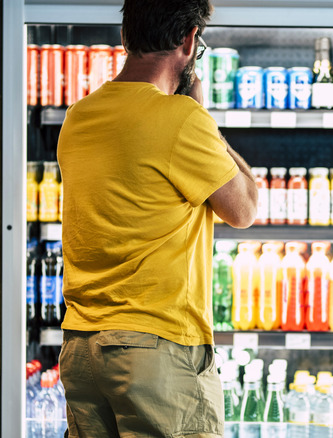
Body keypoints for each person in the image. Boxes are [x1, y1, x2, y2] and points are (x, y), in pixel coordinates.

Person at [56, 0, 257, 436]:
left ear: (127, 38)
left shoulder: (78, 117)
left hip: (82, 348)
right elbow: (243, 209)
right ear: (188, 42)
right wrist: (203, 118)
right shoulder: (182, 118)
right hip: (155, 351)